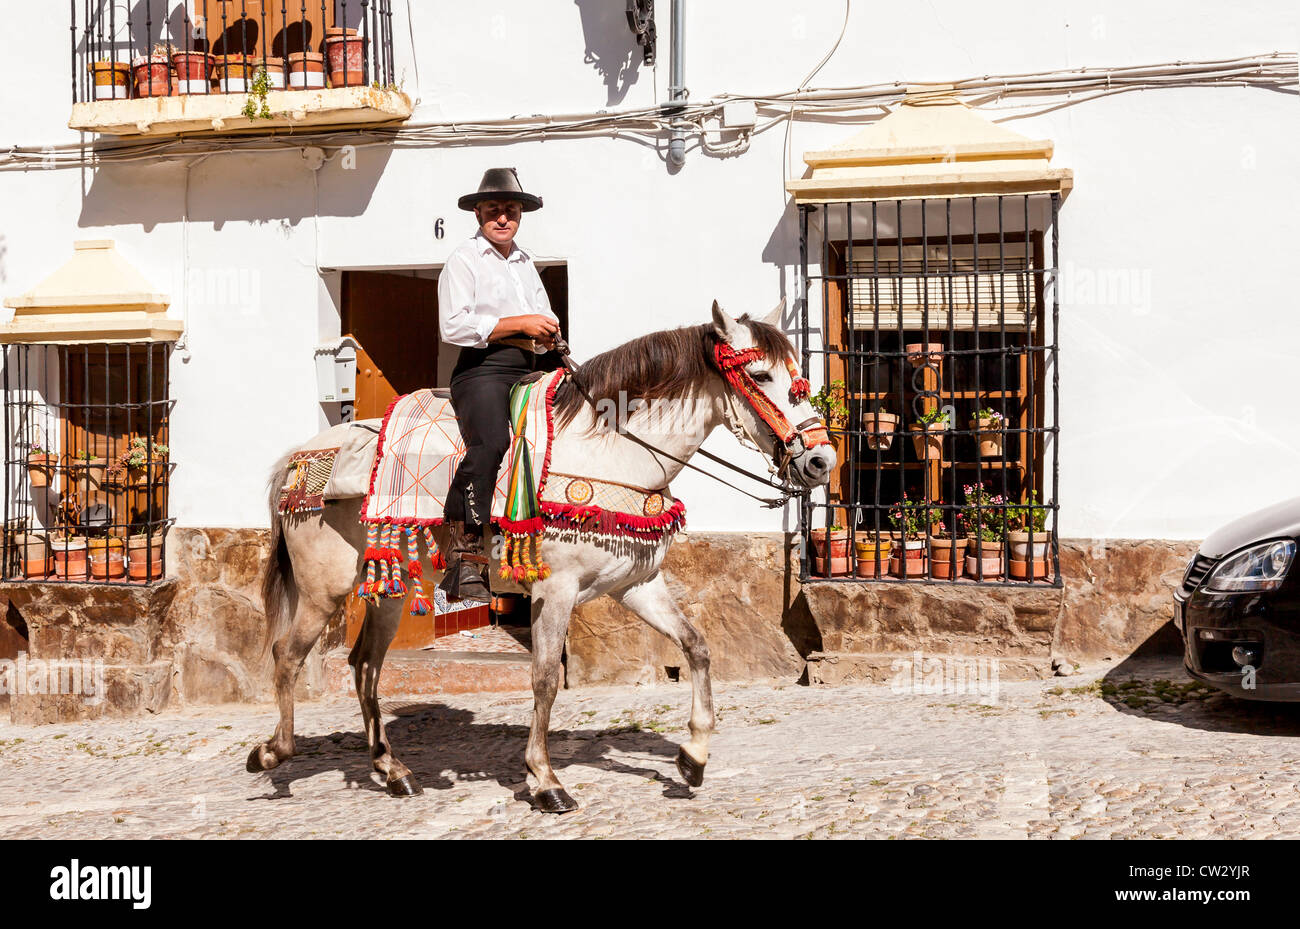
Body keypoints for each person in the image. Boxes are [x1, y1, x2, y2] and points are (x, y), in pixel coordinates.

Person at [437, 168, 562, 600]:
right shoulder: (464, 259)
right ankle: (464, 555)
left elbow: (542, 315)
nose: (503, 218)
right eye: (494, 210)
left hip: (530, 364)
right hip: (482, 369)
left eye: (510, 210)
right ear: (478, 213)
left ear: (521, 214)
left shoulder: (526, 263)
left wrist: (546, 334)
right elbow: (453, 326)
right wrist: (519, 324)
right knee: (490, 443)